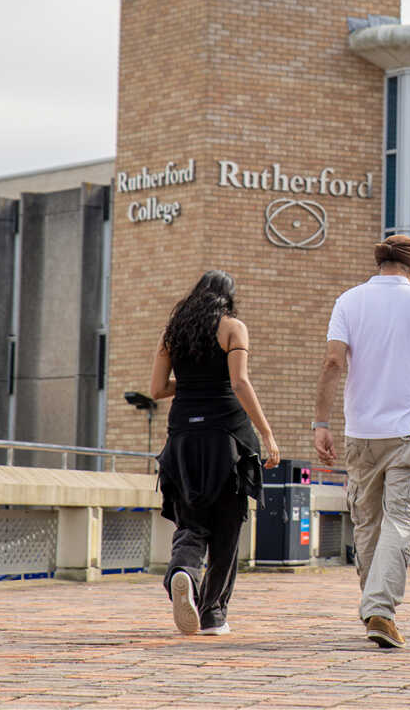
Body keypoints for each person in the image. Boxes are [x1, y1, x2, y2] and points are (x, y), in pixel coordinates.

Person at [313, 235, 410, 649]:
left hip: (361, 432)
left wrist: (320, 423)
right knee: (400, 521)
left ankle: (374, 608)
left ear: (380, 262)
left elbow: (332, 363)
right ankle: (380, 609)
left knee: (368, 524)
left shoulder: (349, 301)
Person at [149, 270, 280, 636]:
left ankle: (182, 573)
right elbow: (239, 382)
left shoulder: (172, 333)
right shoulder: (233, 328)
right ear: (229, 297)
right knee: (227, 527)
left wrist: (192, 382)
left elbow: (157, 389)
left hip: (183, 439)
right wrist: (267, 434)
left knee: (191, 522)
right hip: (227, 439)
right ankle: (213, 614)